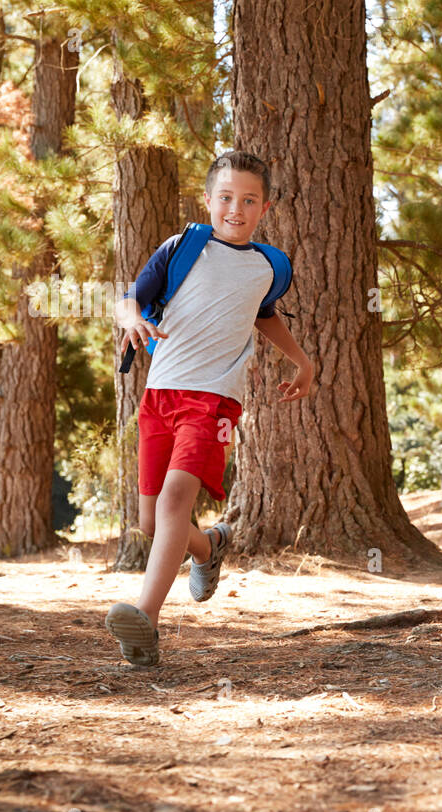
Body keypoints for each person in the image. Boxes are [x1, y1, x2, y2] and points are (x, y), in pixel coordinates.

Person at [105, 151, 315, 666]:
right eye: (225, 197)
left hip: (216, 398)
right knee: (153, 523)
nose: (235, 209)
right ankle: (209, 547)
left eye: (247, 200)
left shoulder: (269, 266)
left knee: (177, 498)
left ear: (263, 208)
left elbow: (264, 316)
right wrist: (131, 320)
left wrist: (302, 363)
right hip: (160, 395)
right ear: (208, 200)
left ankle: (145, 621)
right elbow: (130, 297)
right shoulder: (181, 247)